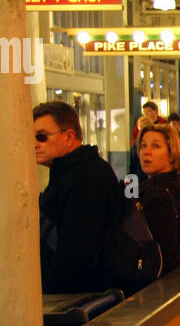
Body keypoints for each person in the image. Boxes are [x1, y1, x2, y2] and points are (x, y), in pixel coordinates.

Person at [34, 101, 125, 294]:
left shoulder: (85, 179)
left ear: (69, 137)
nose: (34, 144)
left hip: (85, 301)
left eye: (41, 137)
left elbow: (77, 254)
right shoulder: (71, 173)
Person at [137, 124, 180, 273]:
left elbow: (159, 253)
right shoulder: (173, 187)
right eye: (143, 145)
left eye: (156, 146)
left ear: (171, 154)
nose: (147, 152)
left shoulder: (159, 195)